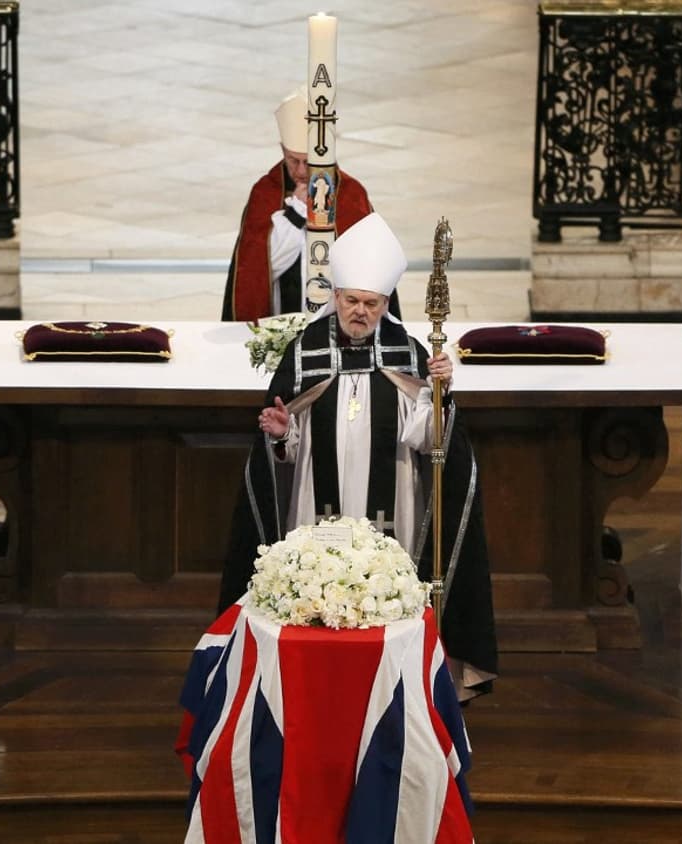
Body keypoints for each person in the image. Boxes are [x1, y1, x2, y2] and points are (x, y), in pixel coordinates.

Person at [219, 212, 497, 701]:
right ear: (335, 297)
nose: (360, 312)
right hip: (314, 508)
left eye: (371, 303)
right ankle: (310, 682)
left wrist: (440, 395)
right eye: (351, 301)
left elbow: (429, 442)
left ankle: (396, 685)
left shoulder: (410, 354)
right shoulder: (305, 352)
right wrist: (282, 437)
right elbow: (282, 456)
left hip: (395, 509)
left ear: (385, 304)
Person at [220, 86, 399, 321]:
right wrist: (295, 214)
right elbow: (260, 270)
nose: (301, 171)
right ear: (282, 150)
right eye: (293, 161)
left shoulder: (350, 194)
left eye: (308, 161)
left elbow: (365, 270)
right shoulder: (266, 192)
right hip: (281, 318)